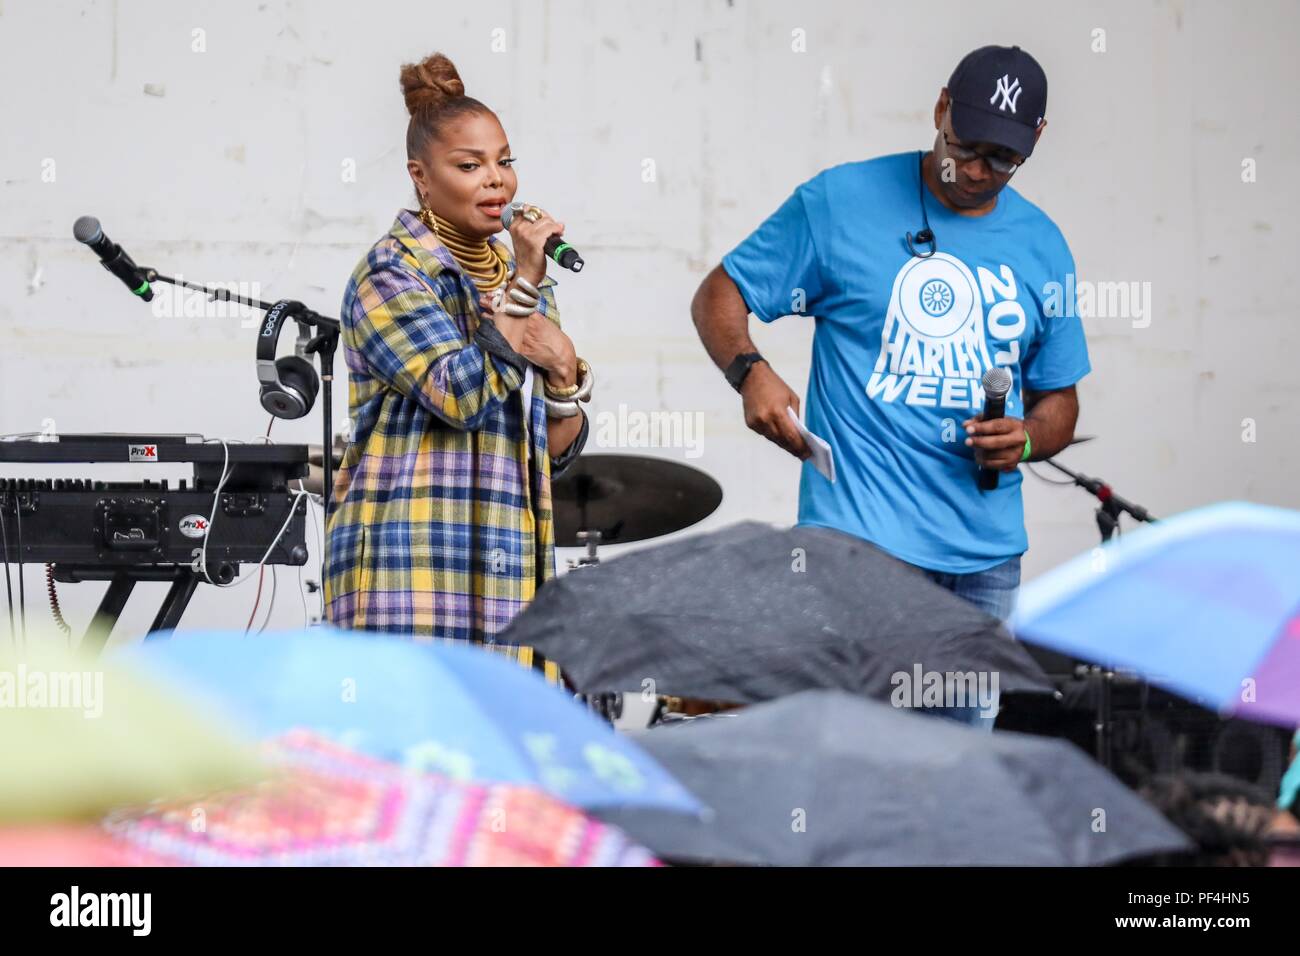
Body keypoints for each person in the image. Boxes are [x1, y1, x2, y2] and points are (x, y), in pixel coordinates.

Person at [691, 45, 1091, 626]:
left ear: (1037, 137)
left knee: (968, 696)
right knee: (852, 694)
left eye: (1003, 159)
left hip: (986, 561)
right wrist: (750, 372)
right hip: (855, 544)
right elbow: (719, 293)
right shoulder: (839, 203)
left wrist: (1027, 440)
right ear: (941, 108)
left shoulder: (1044, 245)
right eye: (965, 146)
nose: (977, 171)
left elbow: (1060, 401)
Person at [324, 52, 591, 664]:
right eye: (471, 165)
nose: (497, 181)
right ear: (421, 176)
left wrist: (564, 373)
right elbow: (460, 397)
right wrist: (526, 283)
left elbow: (550, 453)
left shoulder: (523, 280)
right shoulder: (391, 273)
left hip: (509, 572)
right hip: (409, 573)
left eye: (505, 162)